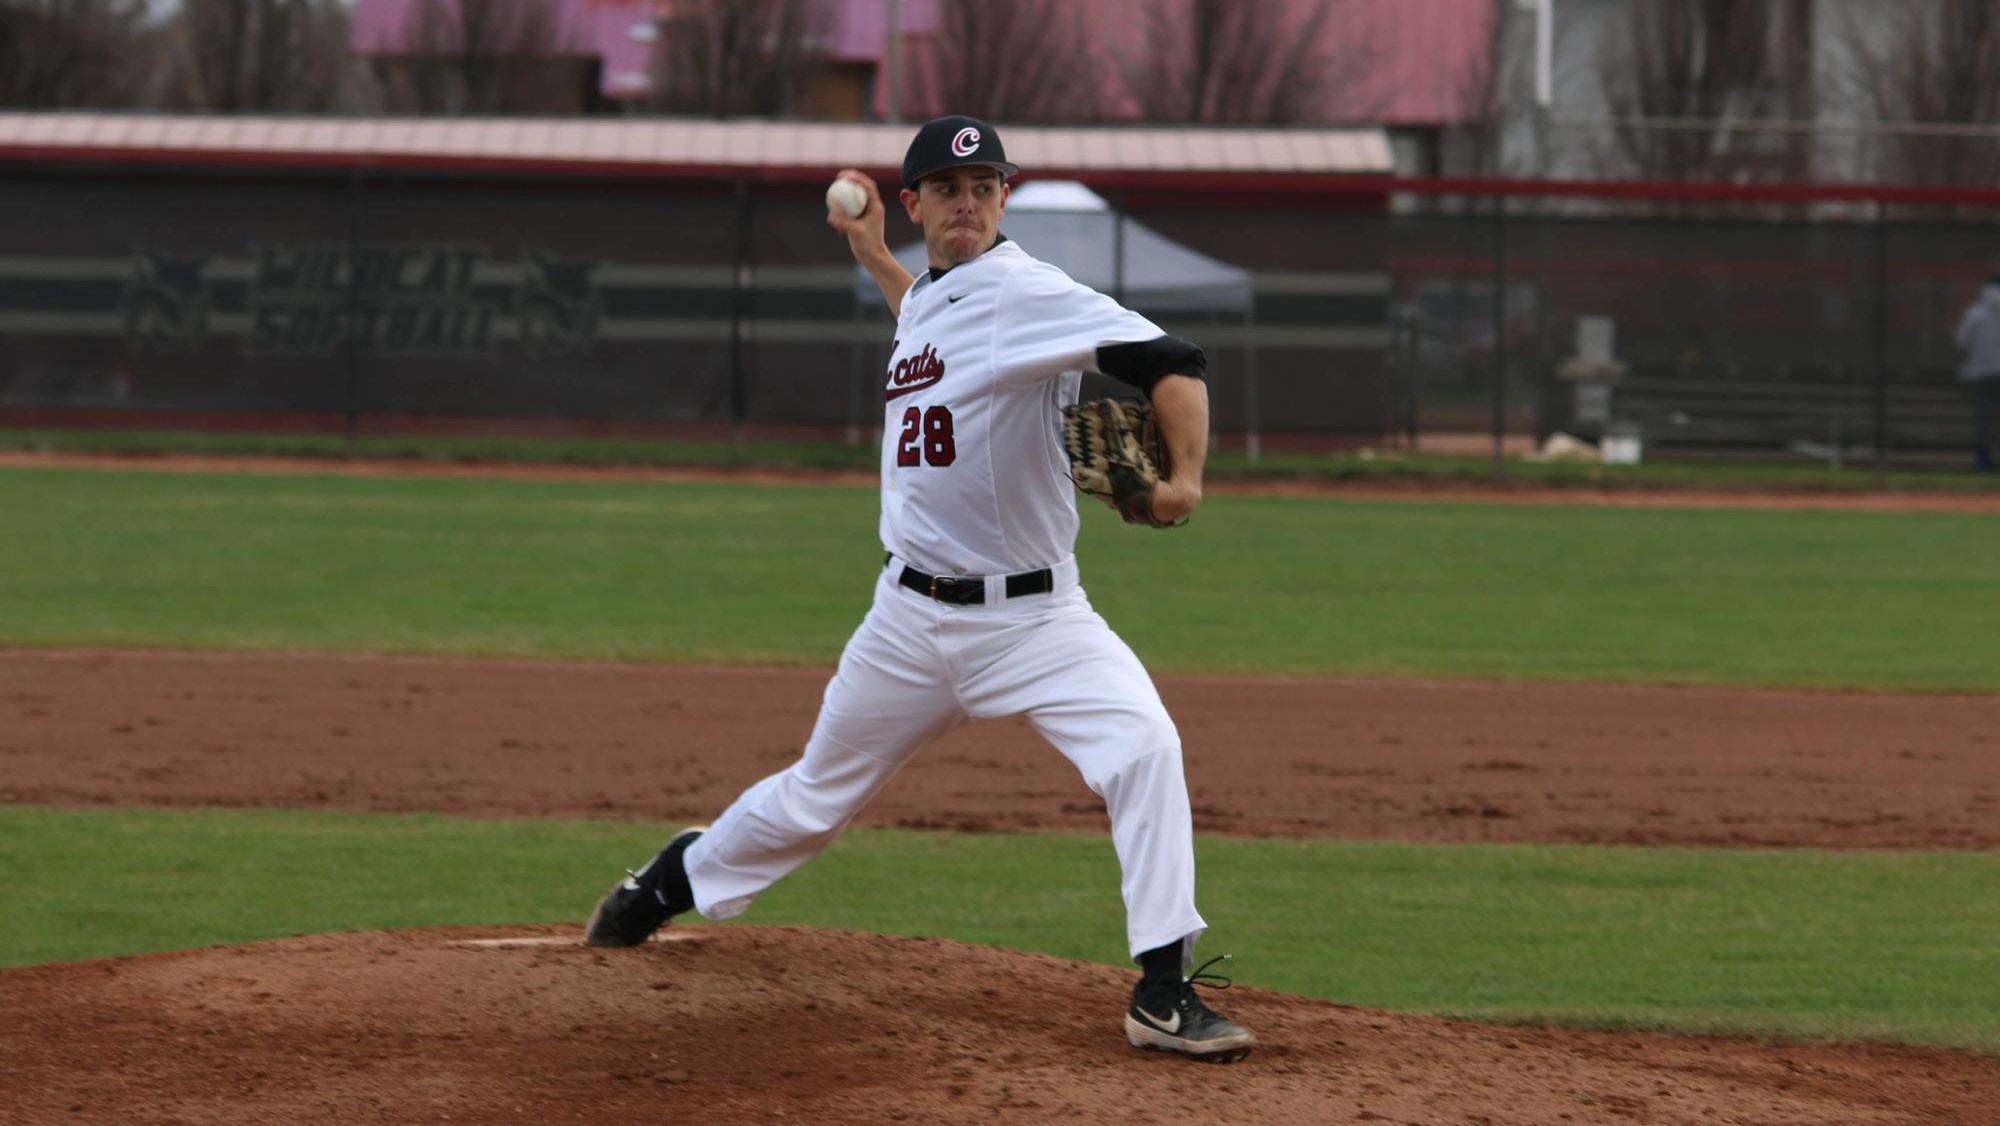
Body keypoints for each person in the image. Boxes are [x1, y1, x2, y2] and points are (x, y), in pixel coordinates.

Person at [582, 115, 1254, 1063]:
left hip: (1036, 620)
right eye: (947, 188)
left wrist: (1182, 482)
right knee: (814, 799)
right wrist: (870, 254)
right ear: (917, 205)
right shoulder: (935, 296)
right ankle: (671, 880)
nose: (967, 203)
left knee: (1142, 748)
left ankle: (1161, 989)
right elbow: (925, 319)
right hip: (905, 622)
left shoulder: (1030, 293)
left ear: (1005, 198)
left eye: (983, 187)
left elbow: (1172, 362)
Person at [1954, 274, 2000, 473]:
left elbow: (1960, 340)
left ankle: (1984, 462)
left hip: (1982, 373)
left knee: (1985, 418)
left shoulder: (1975, 314)